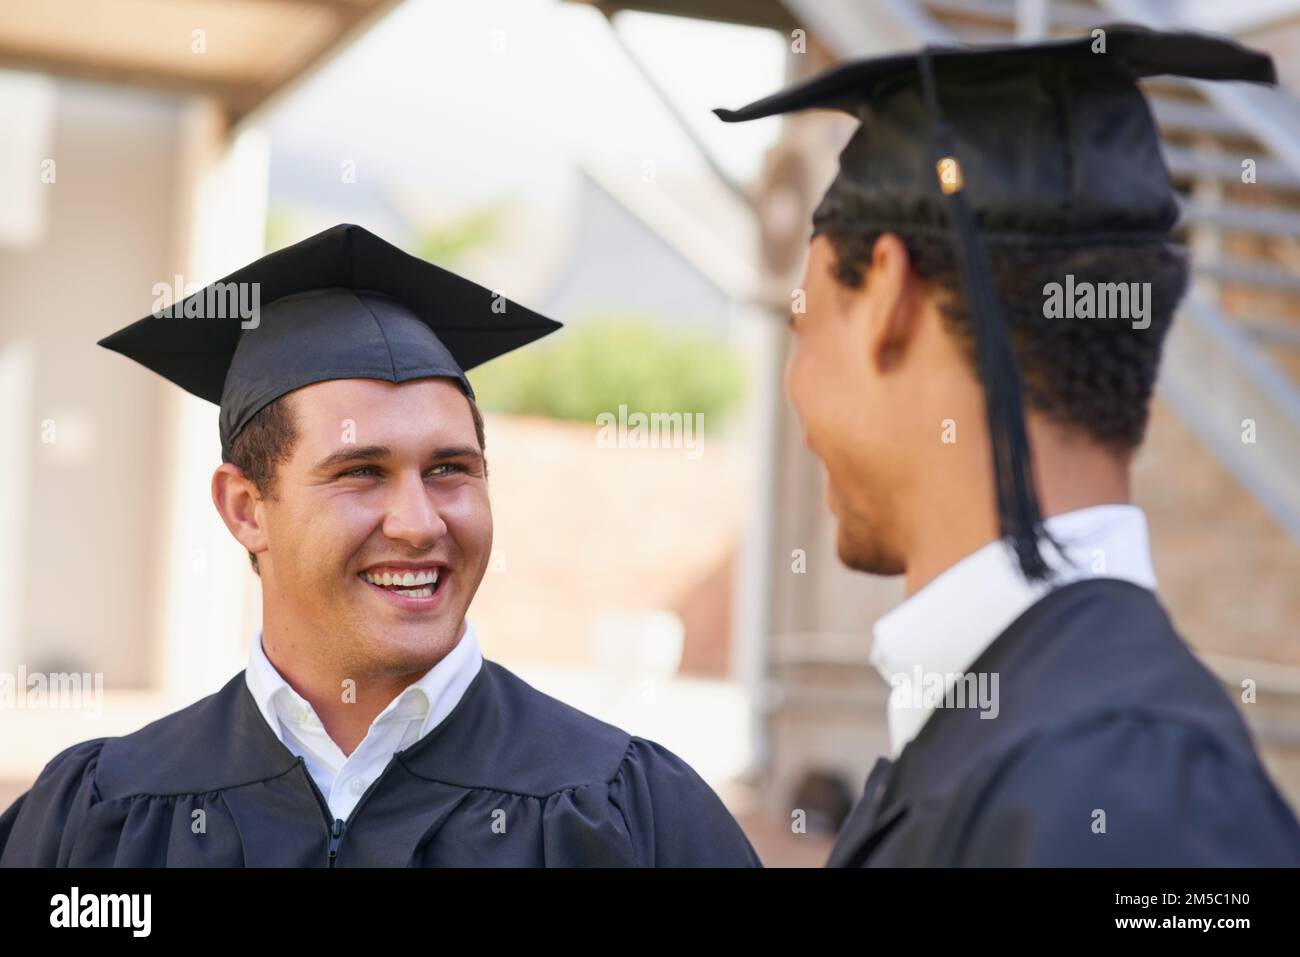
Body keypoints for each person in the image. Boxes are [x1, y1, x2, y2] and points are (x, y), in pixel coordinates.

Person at [715, 24, 1300, 865]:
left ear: (885, 293)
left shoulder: (1126, 787)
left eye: (804, 325)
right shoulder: (1033, 731)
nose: (794, 384)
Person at [0, 223, 761, 868]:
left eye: (450, 470)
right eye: (361, 472)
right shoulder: (102, 819)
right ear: (245, 508)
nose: (419, 522)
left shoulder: (626, 814)